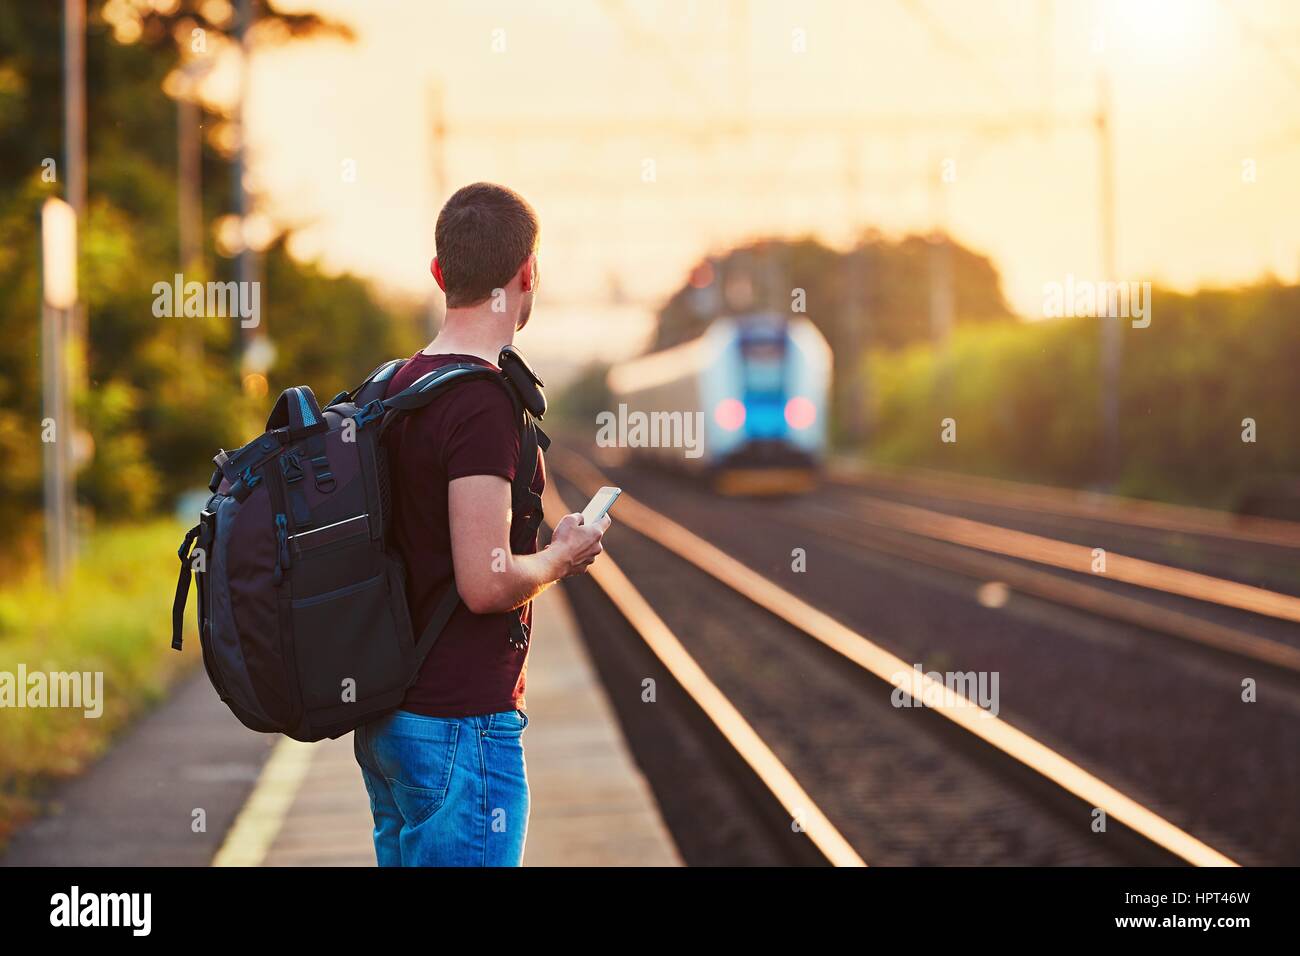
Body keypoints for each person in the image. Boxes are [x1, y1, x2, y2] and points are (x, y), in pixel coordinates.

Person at [352, 182, 610, 866]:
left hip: (391, 721)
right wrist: (563, 554)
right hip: (458, 727)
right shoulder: (479, 404)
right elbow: (486, 583)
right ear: (528, 275)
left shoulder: (394, 386)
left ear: (440, 274)